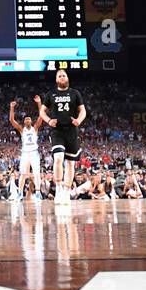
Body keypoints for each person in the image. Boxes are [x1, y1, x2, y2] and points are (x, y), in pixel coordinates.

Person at [35, 69, 87, 207]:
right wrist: (48, 120)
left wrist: (79, 120)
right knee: (58, 158)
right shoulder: (51, 94)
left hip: (71, 131)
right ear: (56, 79)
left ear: (67, 78)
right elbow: (42, 111)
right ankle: (58, 188)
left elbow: (82, 110)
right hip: (57, 131)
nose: (62, 77)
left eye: (64, 75)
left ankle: (66, 190)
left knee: (70, 163)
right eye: (59, 76)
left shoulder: (75, 93)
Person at [8, 99, 44, 201]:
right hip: (25, 153)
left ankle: (37, 193)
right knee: (23, 174)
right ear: (24, 122)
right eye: (26, 119)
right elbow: (11, 120)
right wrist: (12, 107)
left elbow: (41, 116)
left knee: (36, 173)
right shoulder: (21, 129)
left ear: (31, 121)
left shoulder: (35, 128)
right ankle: (19, 193)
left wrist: (39, 103)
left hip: (34, 153)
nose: (28, 120)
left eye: (29, 119)